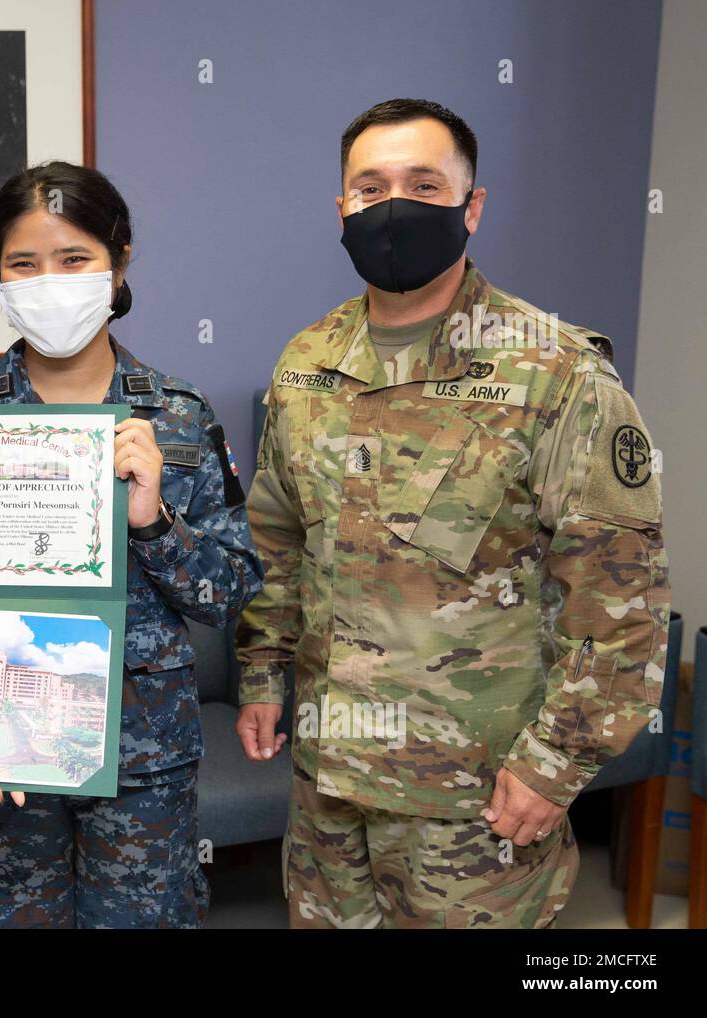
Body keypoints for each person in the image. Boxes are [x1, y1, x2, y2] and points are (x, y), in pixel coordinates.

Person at [236, 98, 669, 928]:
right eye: (370, 188)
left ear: (472, 206)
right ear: (342, 209)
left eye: (423, 183)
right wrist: (261, 672)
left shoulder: (557, 374)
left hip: (472, 800)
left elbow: (621, 602)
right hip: (329, 787)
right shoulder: (308, 362)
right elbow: (277, 540)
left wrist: (554, 766)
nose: (392, 205)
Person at [0, 161, 262, 928]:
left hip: (141, 757)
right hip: (0, 753)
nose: (49, 281)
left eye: (73, 259)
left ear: (119, 263)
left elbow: (232, 591)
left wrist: (155, 522)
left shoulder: (178, 416)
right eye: (24, 263)